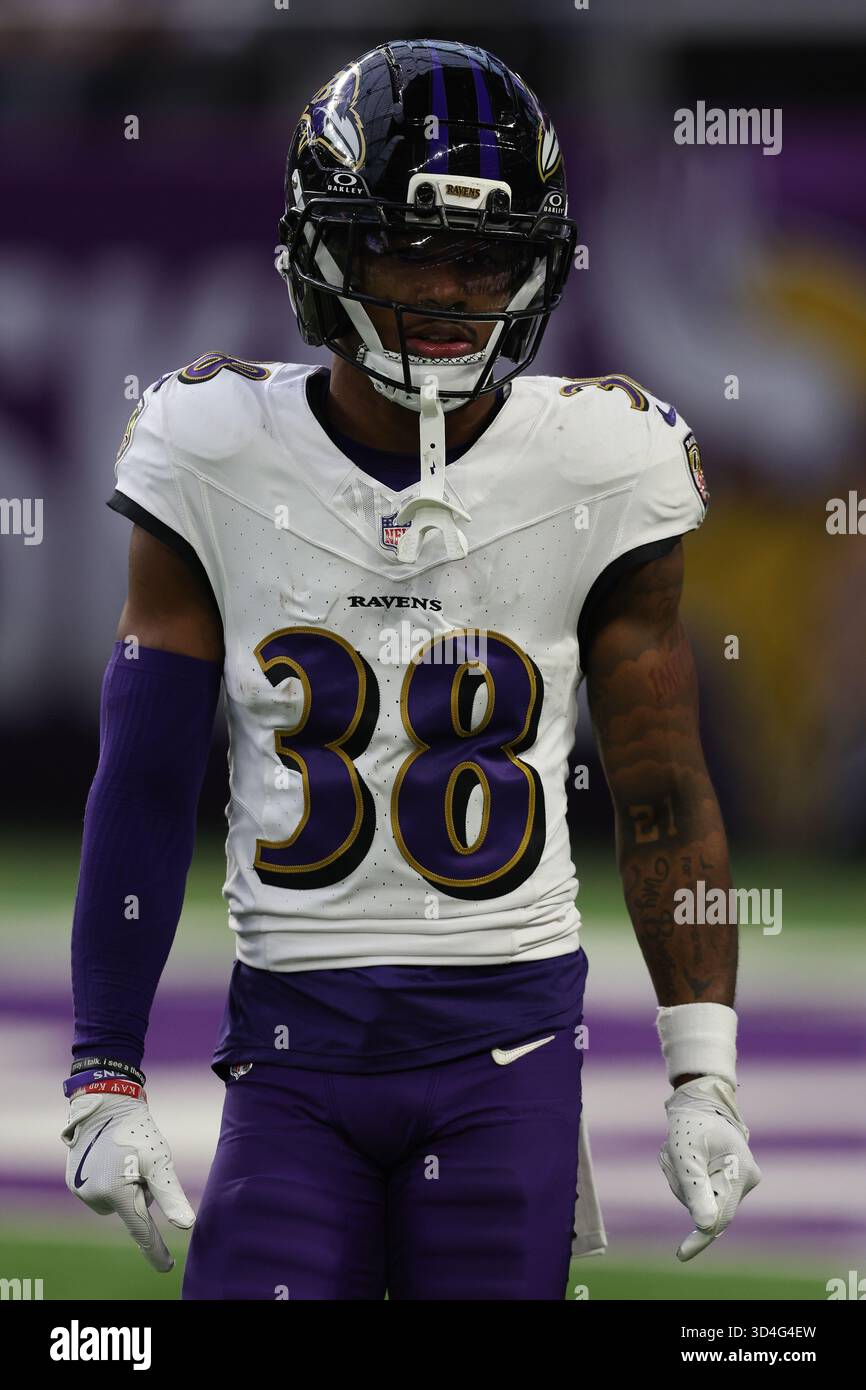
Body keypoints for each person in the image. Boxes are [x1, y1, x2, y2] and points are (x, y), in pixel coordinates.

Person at [61, 38, 760, 1301]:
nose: (449, 290)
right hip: (288, 1053)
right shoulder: (212, 446)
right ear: (324, 252)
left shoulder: (603, 462)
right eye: (409, 246)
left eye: (486, 260)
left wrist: (700, 1067)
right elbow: (148, 782)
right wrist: (104, 1069)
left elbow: (660, 791)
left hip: (508, 1052)